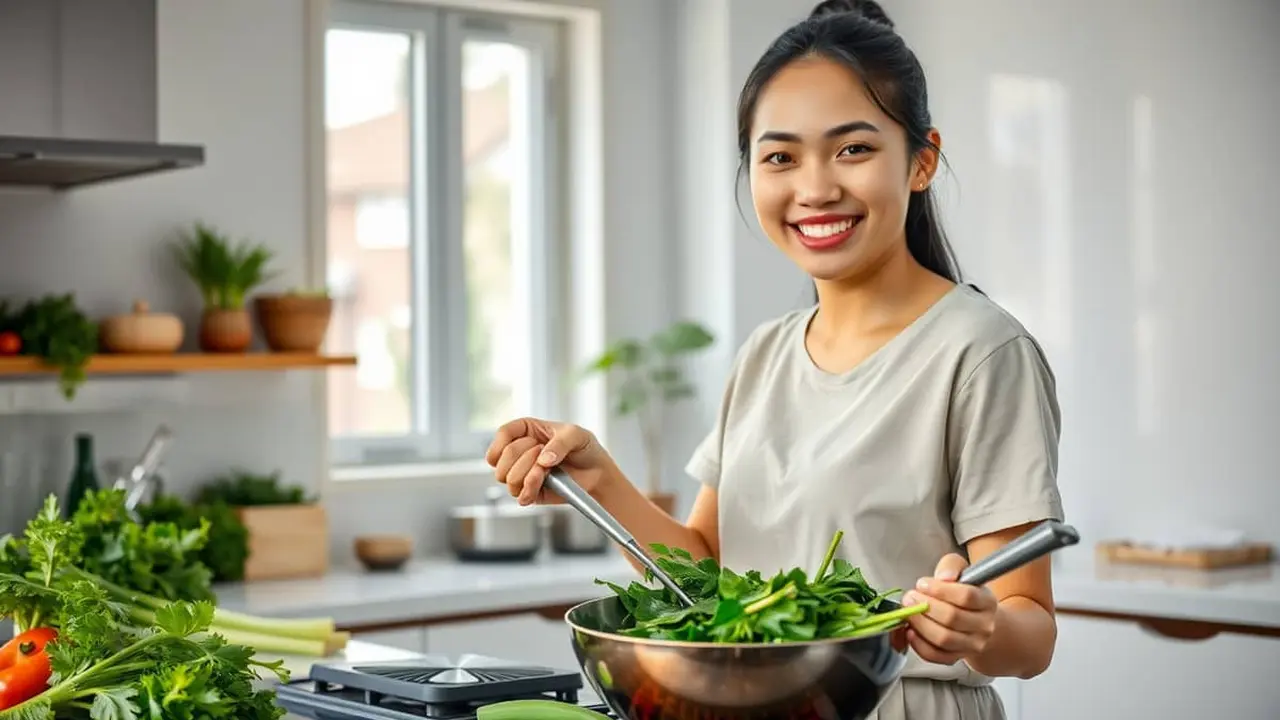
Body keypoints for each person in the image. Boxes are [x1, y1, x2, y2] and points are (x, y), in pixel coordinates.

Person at [484, 0, 1065, 717]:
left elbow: (1030, 632)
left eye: (853, 148)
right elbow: (706, 576)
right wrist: (600, 479)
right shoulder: (765, 354)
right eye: (780, 156)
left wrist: (978, 626)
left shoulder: (979, 352)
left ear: (921, 161)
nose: (815, 188)